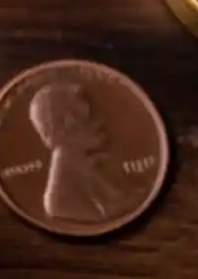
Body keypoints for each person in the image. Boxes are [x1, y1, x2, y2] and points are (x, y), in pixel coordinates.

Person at [28, 83, 128, 223]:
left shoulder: (91, 170)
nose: (101, 122)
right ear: (68, 123)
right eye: (90, 116)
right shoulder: (61, 201)